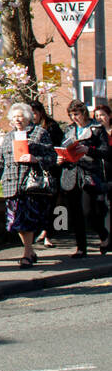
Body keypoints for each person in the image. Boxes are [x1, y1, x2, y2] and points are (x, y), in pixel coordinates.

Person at [0, 102, 58, 267]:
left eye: (21, 116)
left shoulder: (39, 133)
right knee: (15, 222)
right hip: (11, 184)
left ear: (28, 117)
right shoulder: (9, 136)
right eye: (15, 117)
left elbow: (52, 158)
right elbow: (0, 160)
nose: (18, 120)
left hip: (30, 185)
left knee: (27, 220)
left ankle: (26, 253)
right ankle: (30, 251)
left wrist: (35, 159)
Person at [61, 101, 109, 257]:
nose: (75, 118)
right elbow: (62, 147)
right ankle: (81, 247)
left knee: (89, 211)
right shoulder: (69, 129)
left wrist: (88, 149)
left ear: (84, 113)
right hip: (71, 173)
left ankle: (103, 235)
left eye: (77, 114)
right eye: (72, 115)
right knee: (75, 213)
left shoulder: (96, 129)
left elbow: (105, 151)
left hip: (89, 174)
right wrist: (61, 157)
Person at [30, 100, 65, 250]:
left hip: (51, 169)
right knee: (37, 203)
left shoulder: (50, 127)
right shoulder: (28, 128)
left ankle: (47, 234)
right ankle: (41, 231)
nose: (32, 116)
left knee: (50, 203)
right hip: (35, 171)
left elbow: (58, 146)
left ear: (40, 113)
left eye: (34, 113)